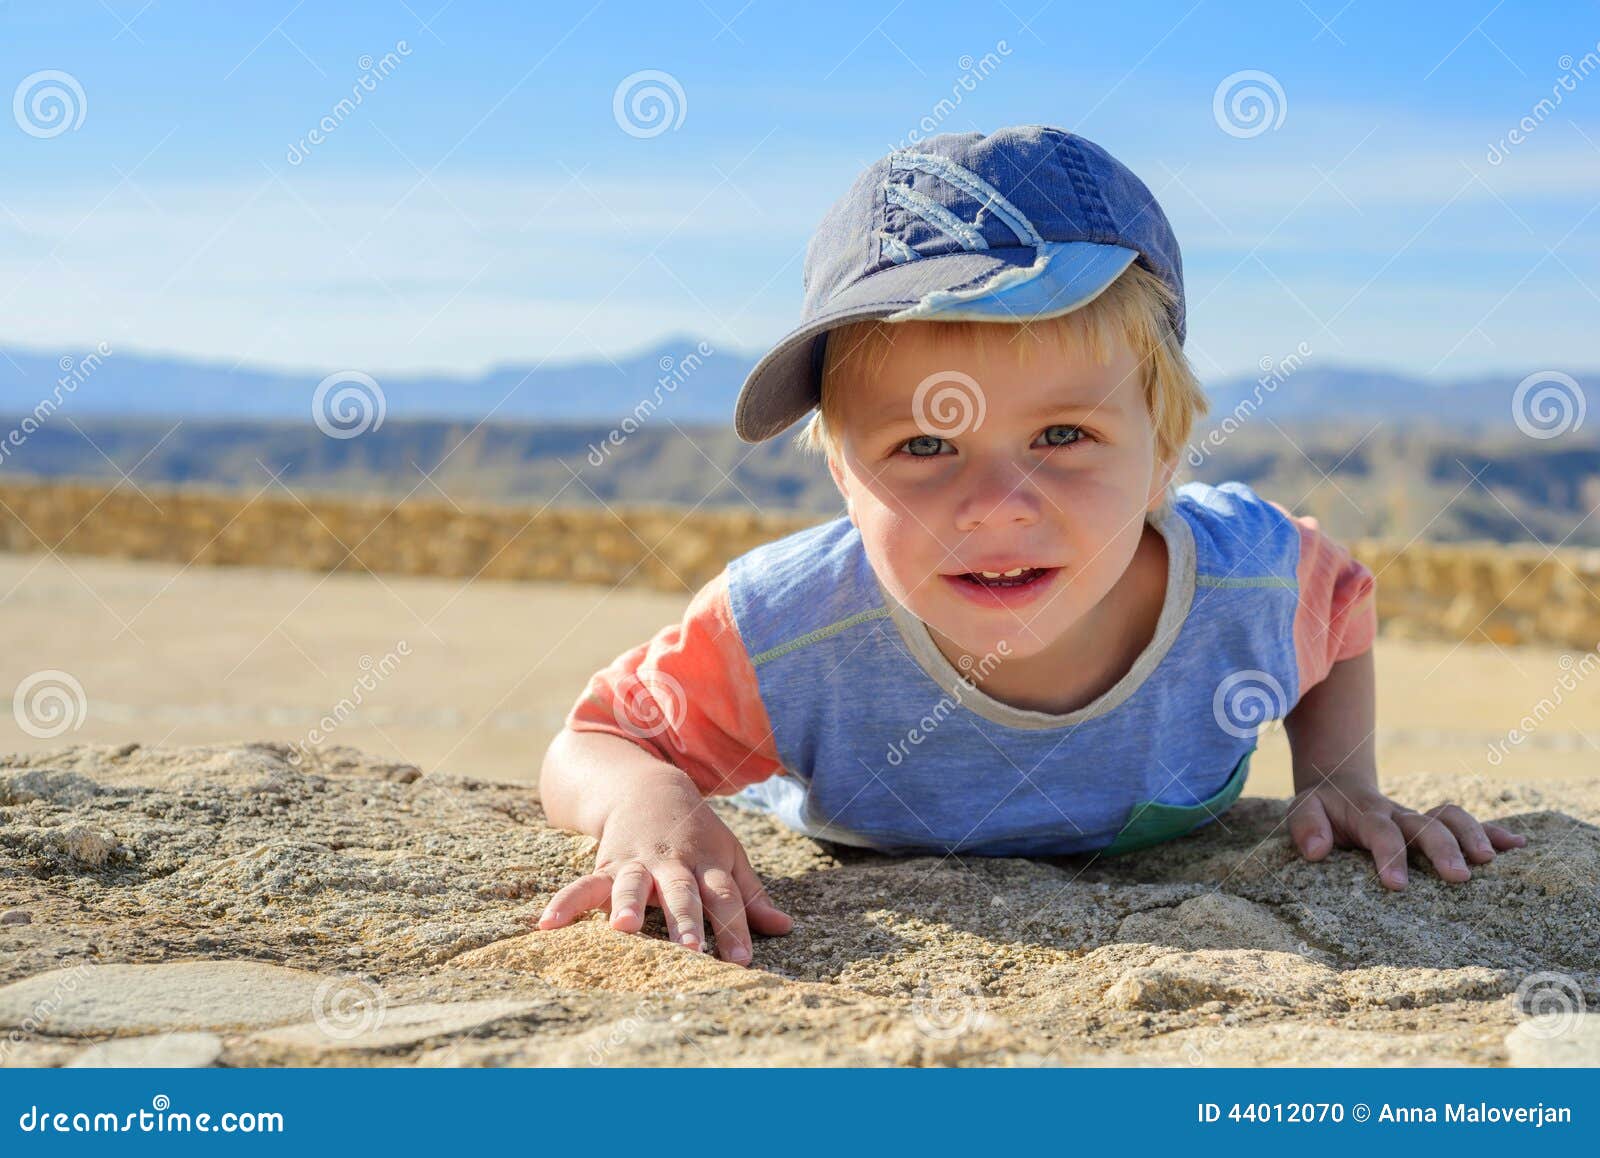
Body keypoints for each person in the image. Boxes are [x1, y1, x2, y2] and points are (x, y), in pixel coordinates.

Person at [537, 125, 1526, 968]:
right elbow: (594, 740)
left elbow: (1341, 604)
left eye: (1062, 437)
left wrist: (1339, 781)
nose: (996, 507)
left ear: (1162, 454)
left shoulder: (1245, 582)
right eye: (923, 445)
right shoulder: (785, 632)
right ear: (842, 475)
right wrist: (651, 807)